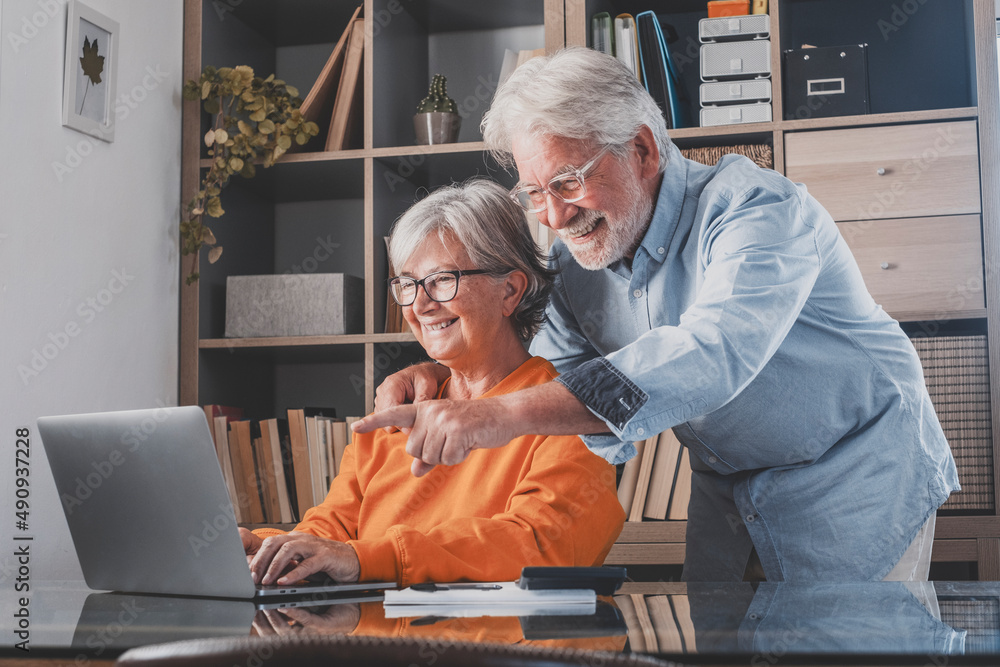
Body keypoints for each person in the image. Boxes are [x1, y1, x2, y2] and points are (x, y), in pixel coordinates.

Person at [353, 47, 960, 582]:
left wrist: (496, 413)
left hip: (852, 471)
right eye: (534, 194)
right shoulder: (570, 272)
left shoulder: (757, 208)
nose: (554, 219)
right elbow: (558, 394)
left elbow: (713, 352)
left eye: (566, 183)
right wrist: (448, 380)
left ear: (641, 149)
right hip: (729, 486)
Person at [240, 178, 624, 587]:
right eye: (407, 283)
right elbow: (334, 529)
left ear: (510, 290)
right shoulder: (397, 408)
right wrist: (263, 550)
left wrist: (370, 558)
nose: (421, 305)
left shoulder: (565, 415)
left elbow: (540, 546)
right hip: (380, 641)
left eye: (442, 279)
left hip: (502, 645)